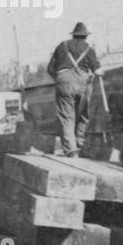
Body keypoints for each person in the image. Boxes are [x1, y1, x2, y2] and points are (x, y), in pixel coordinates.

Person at [47, 22, 103, 157]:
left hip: (64, 81)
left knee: (67, 117)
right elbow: (98, 71)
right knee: (84, 115)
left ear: (73, 34)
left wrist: (60, 79)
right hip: (83, 82)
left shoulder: (62, 46)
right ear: (85, 36)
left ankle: (71, 149)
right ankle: (79, 142)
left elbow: (50, 68)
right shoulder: (88, 48)